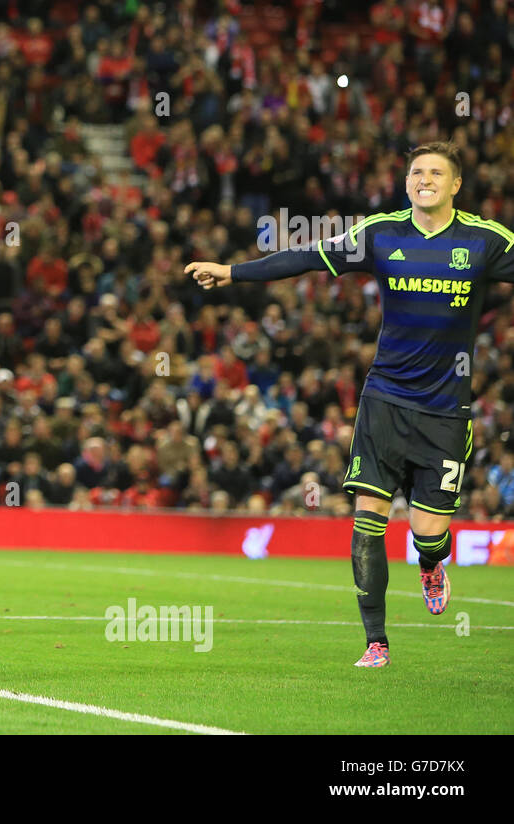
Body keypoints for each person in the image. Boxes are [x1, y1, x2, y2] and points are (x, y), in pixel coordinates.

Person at [187, 141, 514, 668]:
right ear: (406, 183)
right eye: (415, 172)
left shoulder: (486, 240)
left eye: (435, 172)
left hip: (445, 410)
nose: (423, 178)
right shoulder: (380, 233)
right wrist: (233, 272)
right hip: (385, 398)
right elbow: (305, 256)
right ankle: (376, 641)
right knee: (368, 520)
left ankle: (432, 564)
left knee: (428, 532)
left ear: (456, 184)